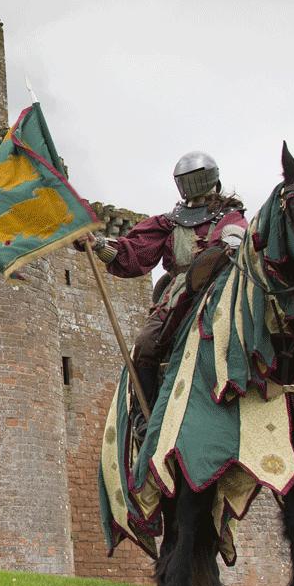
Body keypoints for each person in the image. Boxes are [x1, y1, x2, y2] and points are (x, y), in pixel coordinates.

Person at [79, 152, 247, 411]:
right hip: (182, 293)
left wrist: (231, 244)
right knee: (146, 344)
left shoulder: (231, 217)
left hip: (225, 286)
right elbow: (134, 251)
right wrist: (98, 242)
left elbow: (239, 246)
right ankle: (144, 415)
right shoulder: (170, 222)